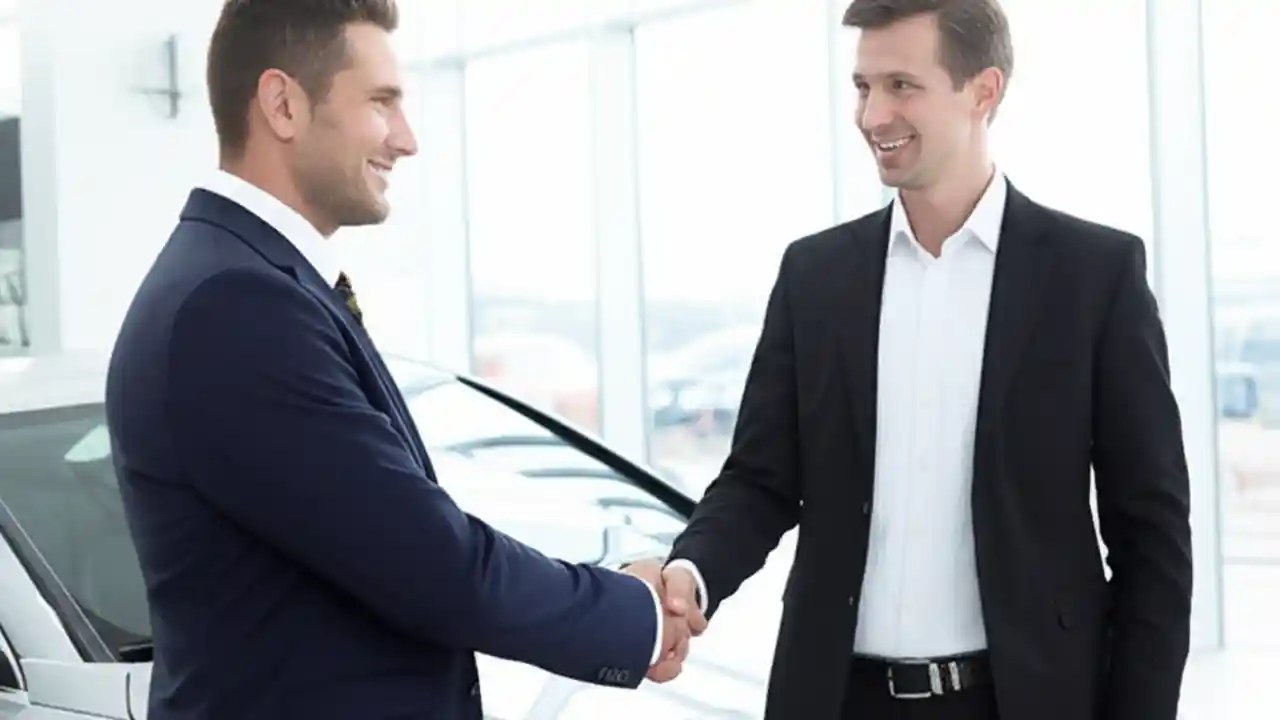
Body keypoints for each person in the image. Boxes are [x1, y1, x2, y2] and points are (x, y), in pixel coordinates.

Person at [104, 1, 700, 718]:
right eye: (381, 102)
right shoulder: (235, 306)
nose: (407, 140)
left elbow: (385, 523)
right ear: (283, 104)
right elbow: (428, 562)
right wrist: (633, 612)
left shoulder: (244, 281)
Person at [655, 1, 1193, 718]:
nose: (873, 115)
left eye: (902, 86)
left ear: (983, 91)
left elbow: (1151, 538)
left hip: (1022, 700)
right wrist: (692, 572)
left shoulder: (1094, 277)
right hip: (837, 699)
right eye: (863, 87)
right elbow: (760, 478)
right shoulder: (816, 276)